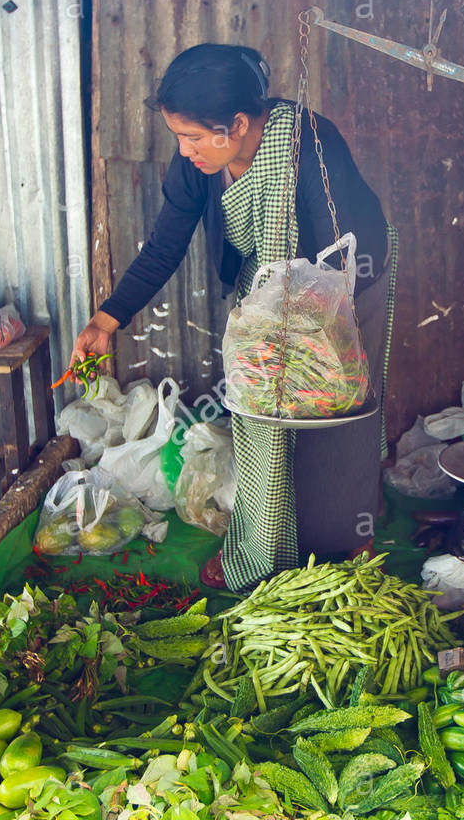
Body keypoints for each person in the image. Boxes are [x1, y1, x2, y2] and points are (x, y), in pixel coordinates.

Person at [71, 44, 396, 592]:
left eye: (194, 137)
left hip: (344, 285)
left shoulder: (310, 146)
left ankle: (350, 529)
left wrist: (300, 340)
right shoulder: (200, 164)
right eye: (179, 136)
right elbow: (167, 241)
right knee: (263, 417)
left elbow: (339, 249)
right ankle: (269, 535)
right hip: (268, 291)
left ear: (239, 124)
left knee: (335, 415)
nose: (184, 150)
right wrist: (107, 319)